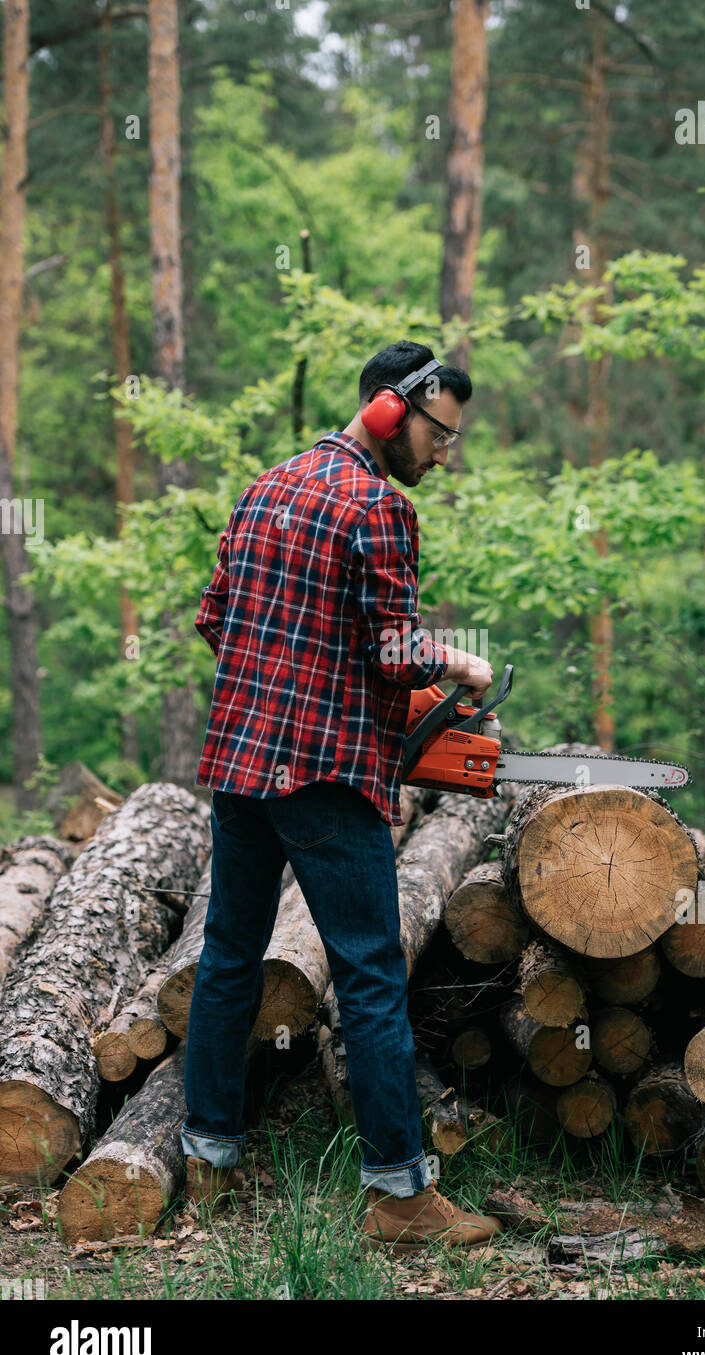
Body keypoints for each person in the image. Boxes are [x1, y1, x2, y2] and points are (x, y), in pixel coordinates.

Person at [184, 339, 503, 1251]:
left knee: (228, 959)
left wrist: (281, 690)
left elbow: (216, 617)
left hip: (242, 767)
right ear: (389, 411)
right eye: (440, 433)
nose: (445, 453)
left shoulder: (265, 485)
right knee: (369, 974)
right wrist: (458, 659)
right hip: (325, 779)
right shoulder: (376, 506)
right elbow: (390, 652)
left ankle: (207, 1158)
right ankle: (400, 1197)